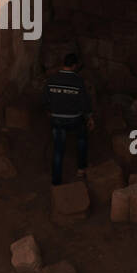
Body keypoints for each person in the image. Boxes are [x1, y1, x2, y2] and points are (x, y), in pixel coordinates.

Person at [45, 53, 93, 186]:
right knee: (82, 138)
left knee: (58, 149)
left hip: (56, 119)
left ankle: (56, 181)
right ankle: (81, 169)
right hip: (74, 119)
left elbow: (45, 100)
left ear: (63, 64)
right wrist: (89, 117)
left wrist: (51, 112)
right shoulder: (78, 81)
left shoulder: (51, 79)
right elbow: (84, 103)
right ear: (74, 66)